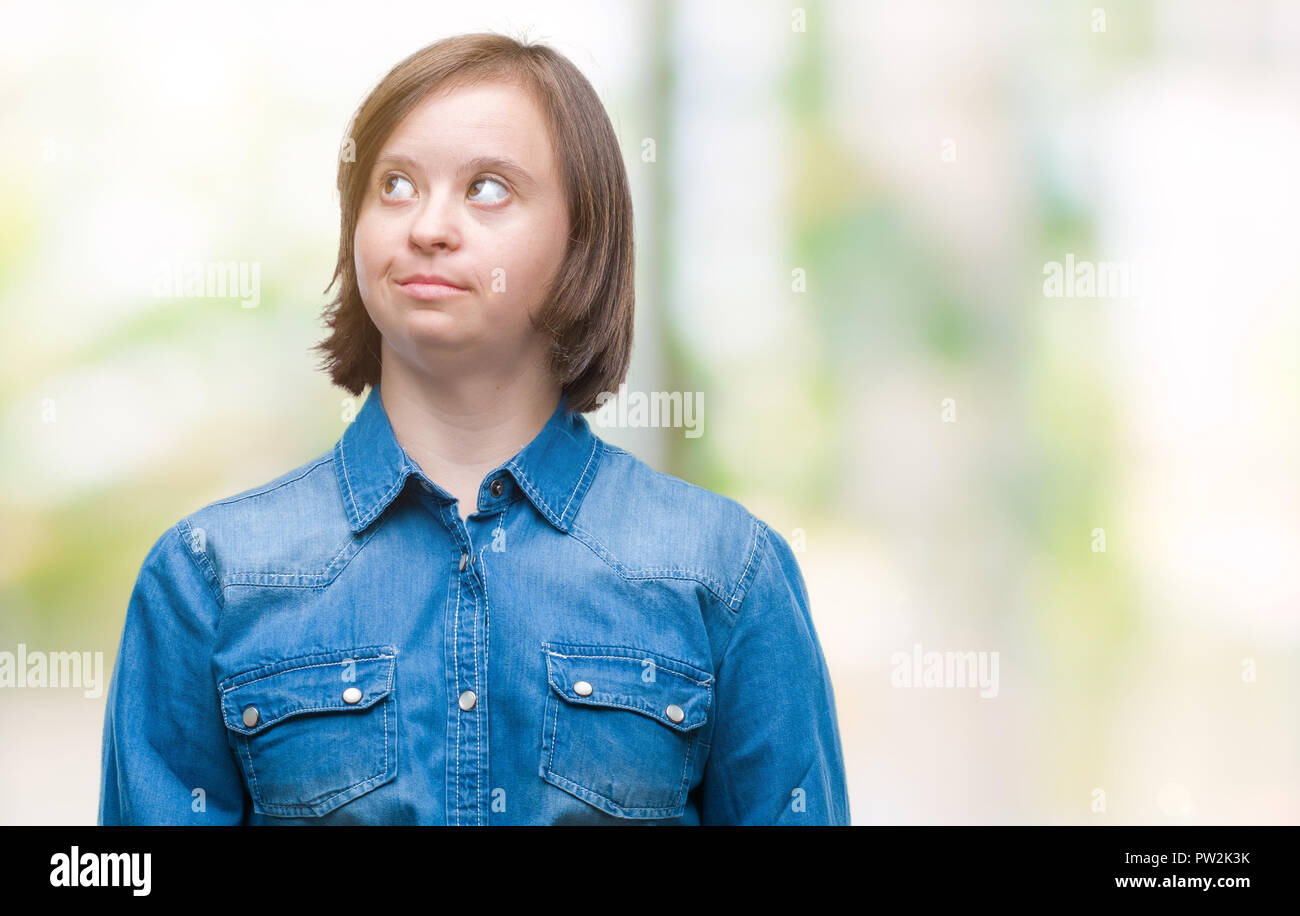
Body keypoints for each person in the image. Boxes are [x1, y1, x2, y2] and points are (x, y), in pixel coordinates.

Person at [98, 31, 850, 825]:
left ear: (582, 241)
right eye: (394, 185)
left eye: (488, 188)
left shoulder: (726, 573)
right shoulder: (208, 580)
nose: (428, 226)